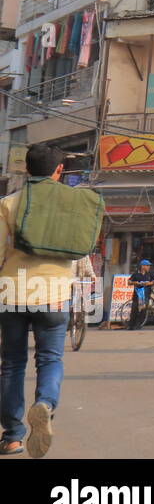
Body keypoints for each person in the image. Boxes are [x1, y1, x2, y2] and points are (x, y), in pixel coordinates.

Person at [0, 145, 81, 457]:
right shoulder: (73, 203)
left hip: (14, 291)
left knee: (13, 363)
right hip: (55, 292)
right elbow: (80, 248)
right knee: (50, 359)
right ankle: (45, 403)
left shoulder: (8, 203)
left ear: (26, 169)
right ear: (59, 170)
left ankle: (12, 437)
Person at [128, 259, 154, 330]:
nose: (148, 267)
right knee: (134, 310)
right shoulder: (136, 273)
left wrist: (150, 283)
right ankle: (131, 325)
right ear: (142, 266)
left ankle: (139, 324)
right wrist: (135, 283)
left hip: (146, 294)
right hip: (137, 294)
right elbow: (129, 282)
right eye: (147, 266)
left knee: (143, 310)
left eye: (149, 266)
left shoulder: (150, 273)